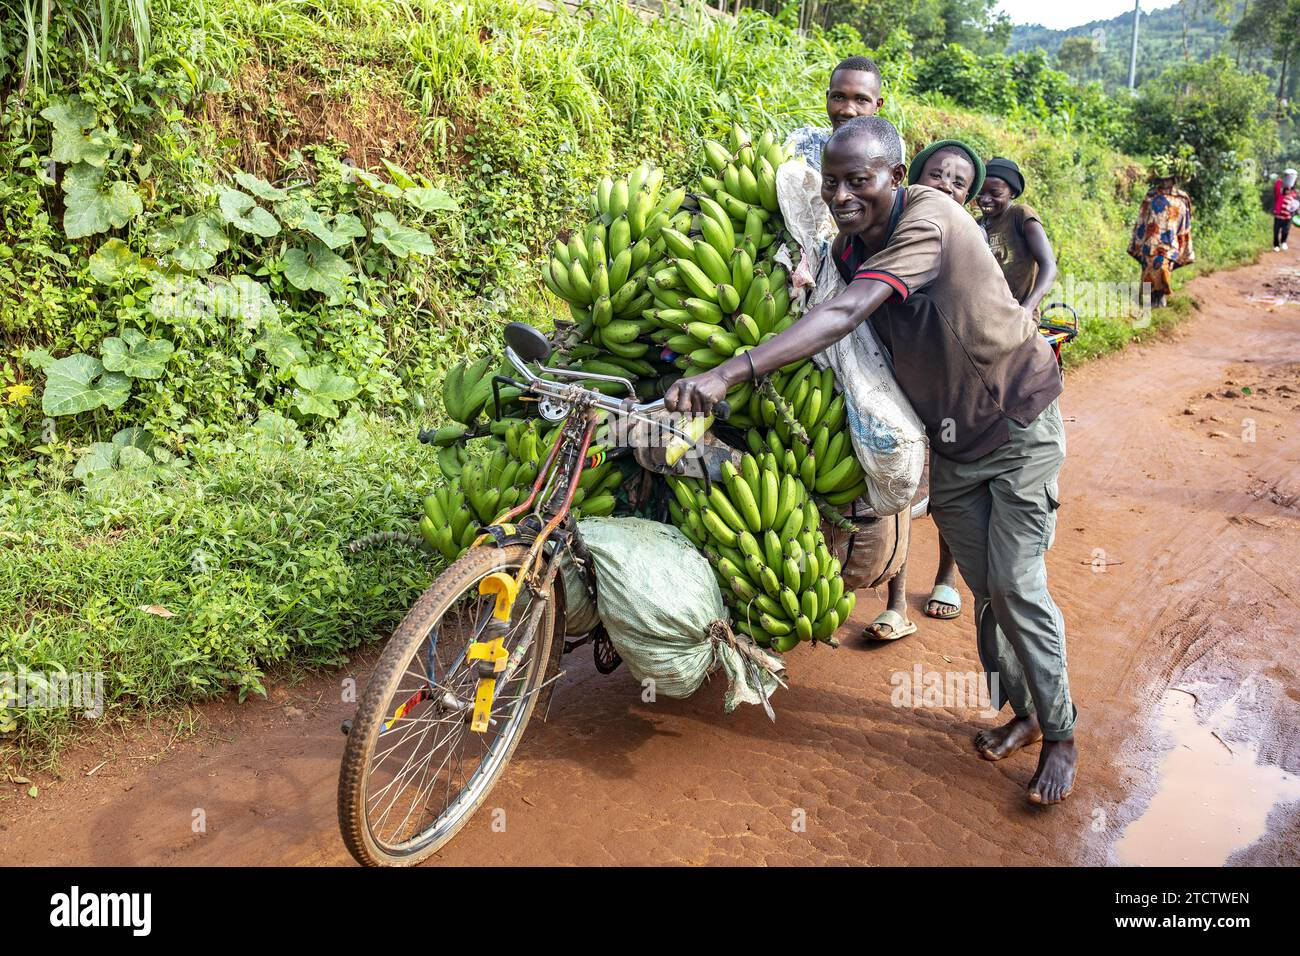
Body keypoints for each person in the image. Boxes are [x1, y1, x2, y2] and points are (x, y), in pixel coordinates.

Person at [666, 117, 1077, 805]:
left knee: (1016, 581)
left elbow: (853, 311)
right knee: (986, 589)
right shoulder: (848, 248)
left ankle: (1062, 734)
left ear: (897, 171)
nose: (842, 195)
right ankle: (1025, 711)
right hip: (953, 446)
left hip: (1018, 423)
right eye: (832, 182)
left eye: (859, 180)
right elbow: (830, 307)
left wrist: (728, 374)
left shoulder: (931, 218)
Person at [859, 138, 987, 640]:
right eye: (937, 175)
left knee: (949, 487)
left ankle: (946, 578)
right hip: (901, 380)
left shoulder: (963, 237)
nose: (947, 186)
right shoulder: (893, 233)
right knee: (902, 482)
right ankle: (895, 600)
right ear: (910, 178)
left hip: (954, 387)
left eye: (959, 182)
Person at [977, 157, 1058, 316]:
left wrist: (1028, 308)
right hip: (986, 315)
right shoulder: (975, 225)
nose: (985, 199)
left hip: (1018, 317)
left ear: (1012, 192)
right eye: (981, 192)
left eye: (995, 193)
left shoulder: (1020, 215)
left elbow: (1049, 264)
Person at [784, 56, 885, 171]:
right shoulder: (803, 143)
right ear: (828, 98)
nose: (848, 111)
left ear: (878, 105)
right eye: (838, 97)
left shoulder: (887, 149)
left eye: (861, 100)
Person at [1127, 157, 1194, 308]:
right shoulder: (1151, 196)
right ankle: (1149, 302)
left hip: (1169, 243)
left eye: (1167, 180)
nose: (1164, 183)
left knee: (1163, 270)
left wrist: (1181, 245)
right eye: (1162, 181)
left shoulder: (1181, 199)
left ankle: (1160, 298)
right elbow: (1142, 219)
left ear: (1174, 180)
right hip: (1150, 242)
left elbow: (1184, 224)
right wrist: (1139, 241)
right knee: (1148, 272)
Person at [1272, 168, 1298, 251]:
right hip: (1278, 218)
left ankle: (1283, 242)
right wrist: (1281, 179)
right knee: (1276, 232)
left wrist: (1294, 179)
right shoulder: (1279, 196)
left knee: (1285, 231)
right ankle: (1276, 245)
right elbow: (1277, 187)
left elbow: (1295, 205)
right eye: (1287, 190)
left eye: (1290, 190)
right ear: (1284, 190)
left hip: (1287, 218)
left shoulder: (1293, 196)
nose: (1288, 191)